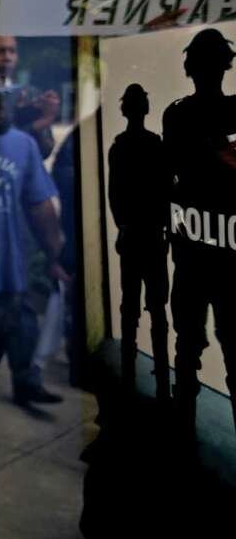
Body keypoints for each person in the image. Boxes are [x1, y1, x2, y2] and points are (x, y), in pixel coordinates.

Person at [0, 71, 68, 410]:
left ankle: (26, 383)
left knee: (22, 325)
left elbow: (40, 206)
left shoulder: (21, 144)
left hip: (10, 263)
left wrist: (54, 255)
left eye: (0, 99)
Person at [161, 27, 236, 437]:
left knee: (188, 346)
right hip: (214, 256)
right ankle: (182, 427)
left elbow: (174, 172)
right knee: (196, 345)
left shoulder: (178, 115)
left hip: (196, 255)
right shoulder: (185, 115)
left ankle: (182, 430)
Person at [107, 83, 170, 401]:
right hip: (150, 237)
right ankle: (161, 377)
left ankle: (130, 376)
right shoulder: (154, 146)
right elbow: (163, 193)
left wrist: (124, 227)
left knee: (130, 309)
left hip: (133, 237)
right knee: (157, 311)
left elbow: (115, 196)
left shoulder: (119, 148)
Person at [0, 35, 59, 159]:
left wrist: (44, 118)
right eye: (0, 51)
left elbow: (45, 152)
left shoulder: (30, 94)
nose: (7, 57)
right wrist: (35, 125)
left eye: (12, 51)